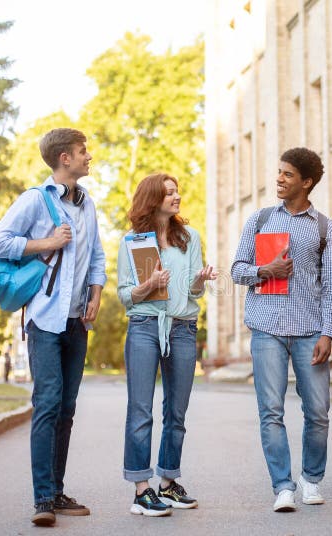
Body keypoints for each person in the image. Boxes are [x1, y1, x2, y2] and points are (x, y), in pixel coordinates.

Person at [0, 128, 106, 526]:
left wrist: (96, 292)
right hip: (44, 319)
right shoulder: (34, 200)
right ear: (64, 159)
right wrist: (46, 243)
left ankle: (56, 491)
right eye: (81, 151)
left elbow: (97, 257)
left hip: (77, 322)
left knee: (67, 409)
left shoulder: (87, 204)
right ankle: (42, 498)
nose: (88, 156)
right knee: (48, 403)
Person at [231, 147, 332, 512]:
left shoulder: (326, 228)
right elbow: (237, 270)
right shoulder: (260, 219)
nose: (279, 179)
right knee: (271, 411)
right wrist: (266, 271)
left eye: (288, 174)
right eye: (279, 172)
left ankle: (311, 480)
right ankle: (283, 485)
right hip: (267, 330)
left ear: (306, 182)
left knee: (318, 412)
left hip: (310, 330)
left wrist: (328, 333)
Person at [117, 173, 217, 518]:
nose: (176, 197)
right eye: (169, 193)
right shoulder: (133, 241)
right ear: (153, 198)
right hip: (145, 328)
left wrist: (199, 281)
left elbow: (191, 292)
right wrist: (150, 284)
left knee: (177, 411)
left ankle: (168, 482)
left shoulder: (190, 238)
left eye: (177, 192)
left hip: (183, 329)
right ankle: (141, 490)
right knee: (140, 411)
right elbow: (125, 296)